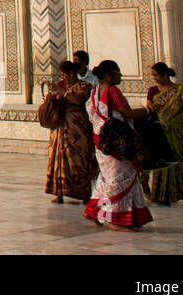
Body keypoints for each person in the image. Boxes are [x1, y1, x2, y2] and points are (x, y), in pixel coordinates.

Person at [84, 60, 152, 230]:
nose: (120, 75)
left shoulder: (94, 92)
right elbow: (127, 112)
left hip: (102, 142)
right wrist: (150, 109)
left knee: (108, 177)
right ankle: (117, 220)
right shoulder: (113, 91)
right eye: (117, 72)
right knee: (121, 178)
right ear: (108, 75)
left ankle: (97, 212)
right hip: (116, 144)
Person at [145, 62, 183, 208]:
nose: (154, 78)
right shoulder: (152, 91)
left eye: (156, 75)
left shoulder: (181, 91)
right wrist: (151, 108)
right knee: (163, 165)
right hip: (162, 133)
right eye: (153, 75)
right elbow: (148, 108)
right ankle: (162, 196)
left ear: (165, 75)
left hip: (180, 132)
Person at [44, 60, 98, 204]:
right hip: (60, 127)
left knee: (77, 160)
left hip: (76, 128)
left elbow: (78, 100)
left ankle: (84, 193)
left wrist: (63, 92)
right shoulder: (62, 86)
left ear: (72, 74)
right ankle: (59, 192)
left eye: (64, 75)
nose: (63, 78)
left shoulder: (84, 86)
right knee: (58, 160)